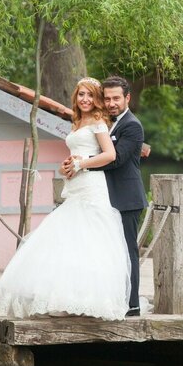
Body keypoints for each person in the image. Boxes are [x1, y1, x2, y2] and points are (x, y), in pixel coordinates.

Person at [0, 78, 131, 319]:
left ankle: (92, 301)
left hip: (92, 186)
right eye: (80, 94)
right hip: (75, 184)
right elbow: (77, 154)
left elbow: (109, 154)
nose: (84, 99)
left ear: (96, 99)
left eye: (89, 95)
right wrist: (67, 166)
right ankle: (67, 299)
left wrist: (81, 163)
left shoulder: (98, 122)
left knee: (90, 239)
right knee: (70, 238)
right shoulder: (77, 122)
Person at [63, 75, 147, 317]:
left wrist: (82, 164)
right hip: (104, 194)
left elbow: (117, 158)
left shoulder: (131, 124)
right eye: (107, 98)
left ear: (127, 98)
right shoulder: (108, 122)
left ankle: (132, 305)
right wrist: (75, 163)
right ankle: (107, 297)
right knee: (106, 249)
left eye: (116, 98)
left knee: (127, 251)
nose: (111, 103)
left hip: (127, 197)